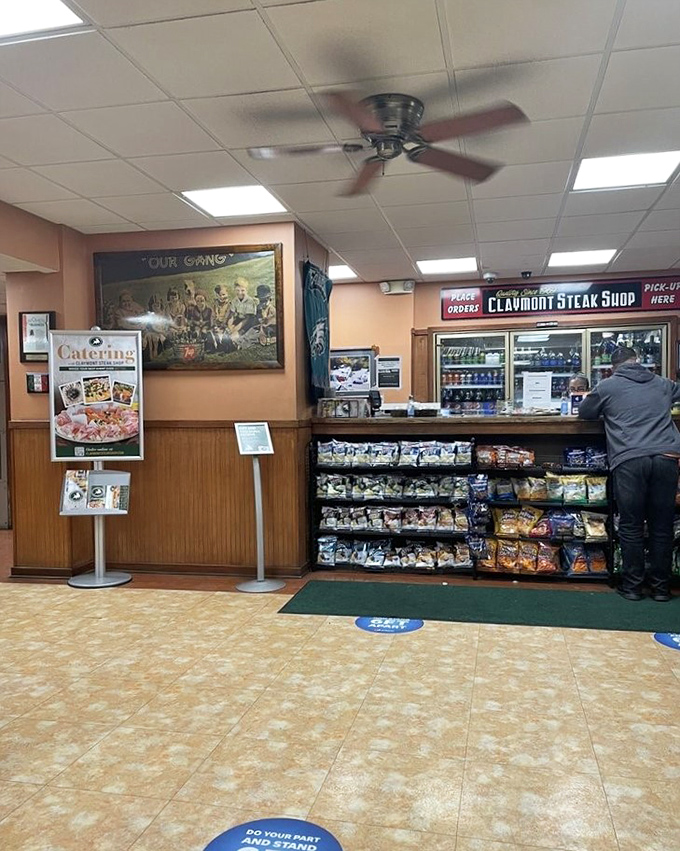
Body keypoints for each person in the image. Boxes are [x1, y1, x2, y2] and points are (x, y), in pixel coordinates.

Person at [579, 346, 680, 601]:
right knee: (662, 526)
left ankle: (633, 587)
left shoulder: (607, 386)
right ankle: (661, 589)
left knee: (631, 525)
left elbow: (585, 413)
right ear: (638, 361)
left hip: (630, 457)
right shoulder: (663, 383)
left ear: (613, 367)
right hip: (667, 457)